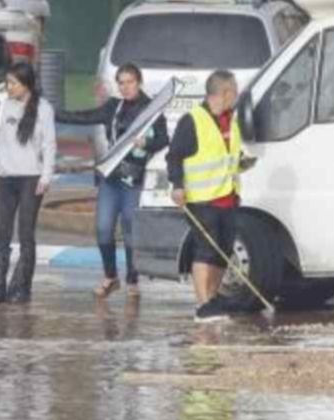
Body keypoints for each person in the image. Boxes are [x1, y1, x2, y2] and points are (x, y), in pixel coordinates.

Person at [60, 62, 168, 298]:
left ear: (139, 82)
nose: (126, 87)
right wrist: (54, 113)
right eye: (121, 83)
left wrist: (147, 143)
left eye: (130, 82)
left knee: (130, 227)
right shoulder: (113, 107)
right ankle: (110, 276)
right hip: (111, 178)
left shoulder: (151, 109)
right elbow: (86, 117)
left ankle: (132, 278)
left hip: (134, 179)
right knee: (103, 229)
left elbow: (163, 139)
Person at [166, 68, 252, 322]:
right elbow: (174, 156)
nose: (237, 95)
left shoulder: (230, 119)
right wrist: (177, 185)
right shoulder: (192, 120)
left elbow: (226, 156)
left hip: (228, 196)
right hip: (201, 199)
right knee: (205, 250)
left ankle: (213, 298)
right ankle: (203, 305)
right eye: (234, 91)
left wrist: (242, 163)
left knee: (222, 251)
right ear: (224, 93)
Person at [0, 59, 56, 305]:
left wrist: (46, 177)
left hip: (30, 179)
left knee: (26, 233)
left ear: (26, 84)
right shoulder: (5, 106)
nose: (9, 88)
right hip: (6, 177)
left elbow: (49, 145)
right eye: (7, 83)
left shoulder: (44, 109)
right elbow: (1, 143)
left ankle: (22, 286)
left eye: (13, 83)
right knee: (2, 233)